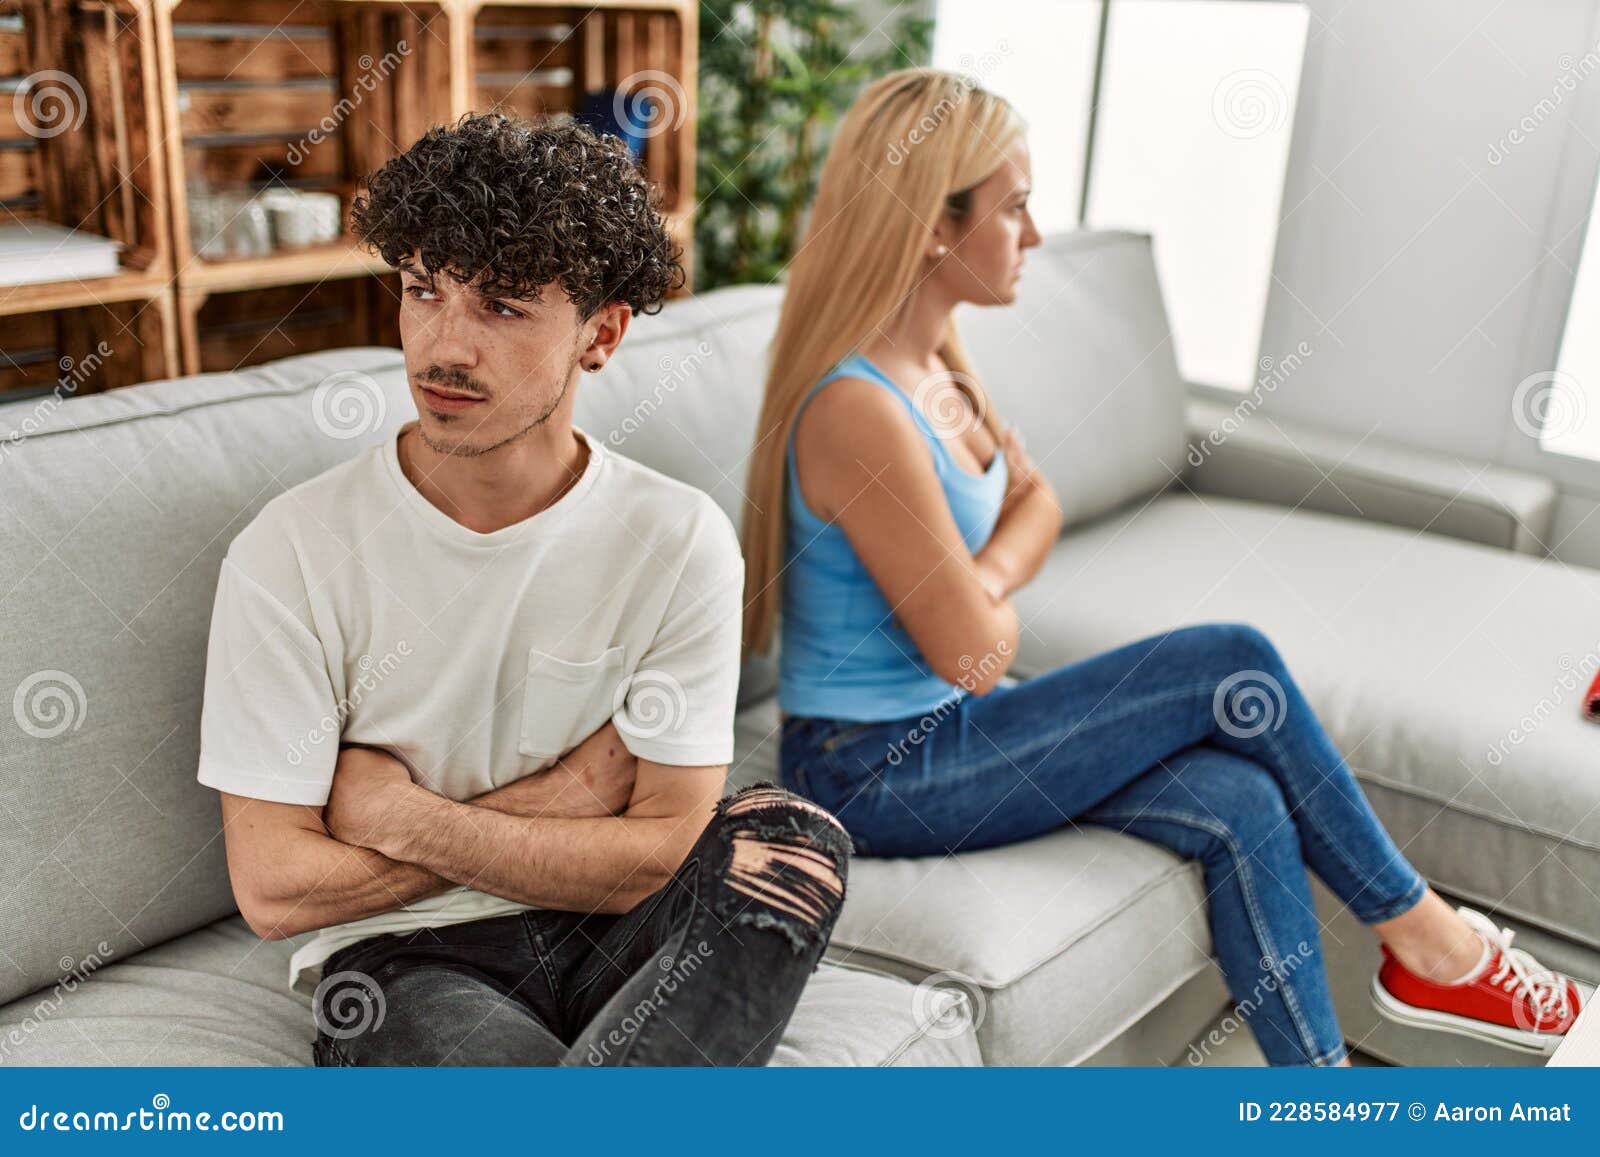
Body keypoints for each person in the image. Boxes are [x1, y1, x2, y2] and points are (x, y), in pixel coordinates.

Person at [742, 68, 1583, 1066]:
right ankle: (1427, 939)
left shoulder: (940, 370)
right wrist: (984, 596)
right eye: (1014, 208)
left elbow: (1036, 501)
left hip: (944, 729)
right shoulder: (860, 408)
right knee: (1231, 662)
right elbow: (972, 656)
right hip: (870, 768)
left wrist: (984, 582)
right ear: (934, 223)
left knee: (1239, 795)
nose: (1037, 235)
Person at [196, 113, 848, 1067]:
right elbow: (276, 889)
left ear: (603, 333)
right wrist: (571, 792)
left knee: (791, 841)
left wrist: (400, 813)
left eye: (502, 306)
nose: (444, 347)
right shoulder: (291, 551)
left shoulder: (676, 540)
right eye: (424, 292)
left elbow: (662, 850)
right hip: (404, 964)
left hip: (624, 926)